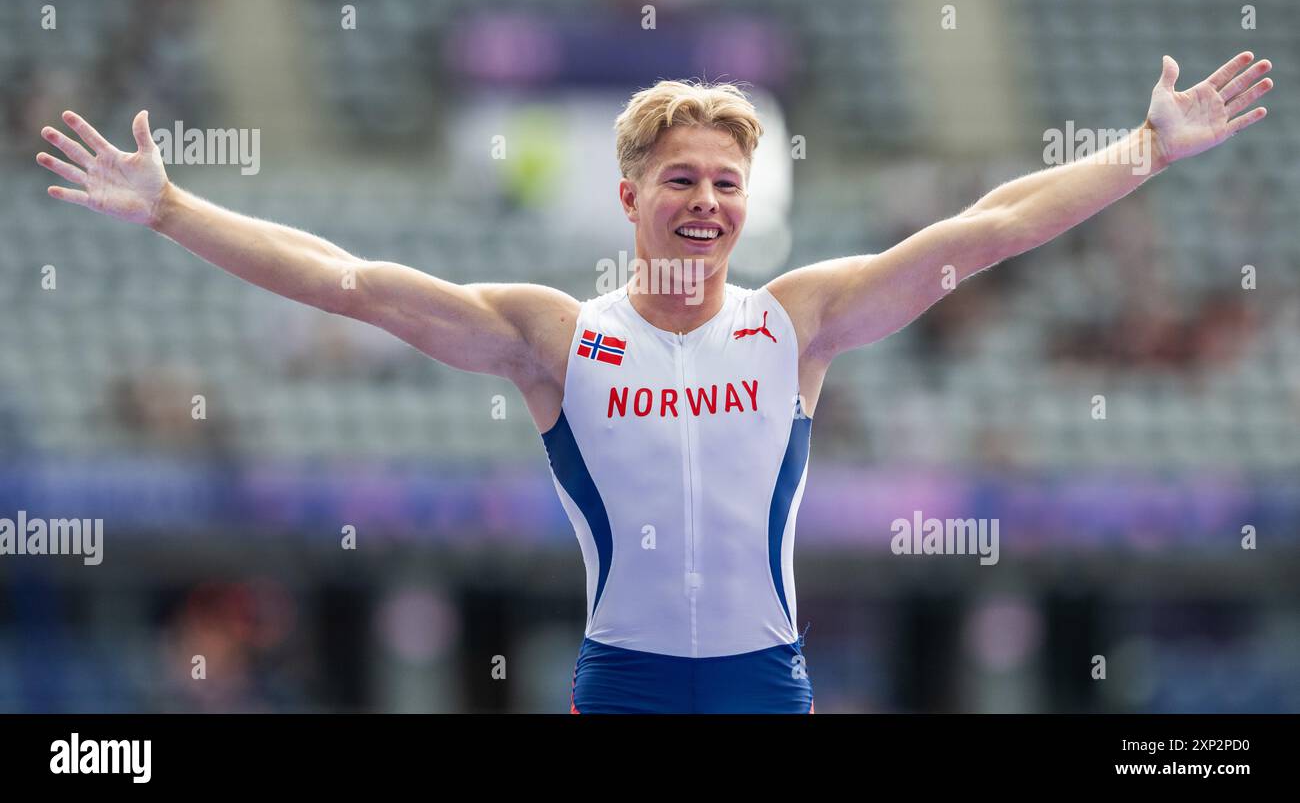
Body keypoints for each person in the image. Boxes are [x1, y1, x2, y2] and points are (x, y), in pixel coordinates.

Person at [36, 53, 1272, 712]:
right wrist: (174, 207)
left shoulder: (798, 321)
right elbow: (347, 282)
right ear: (631, 194)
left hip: (760, 684)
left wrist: (1143, 151)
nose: (706, 201)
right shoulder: (554, 338)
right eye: (681, 178)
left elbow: (985, 231)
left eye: (727, 182)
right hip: (621, 686)